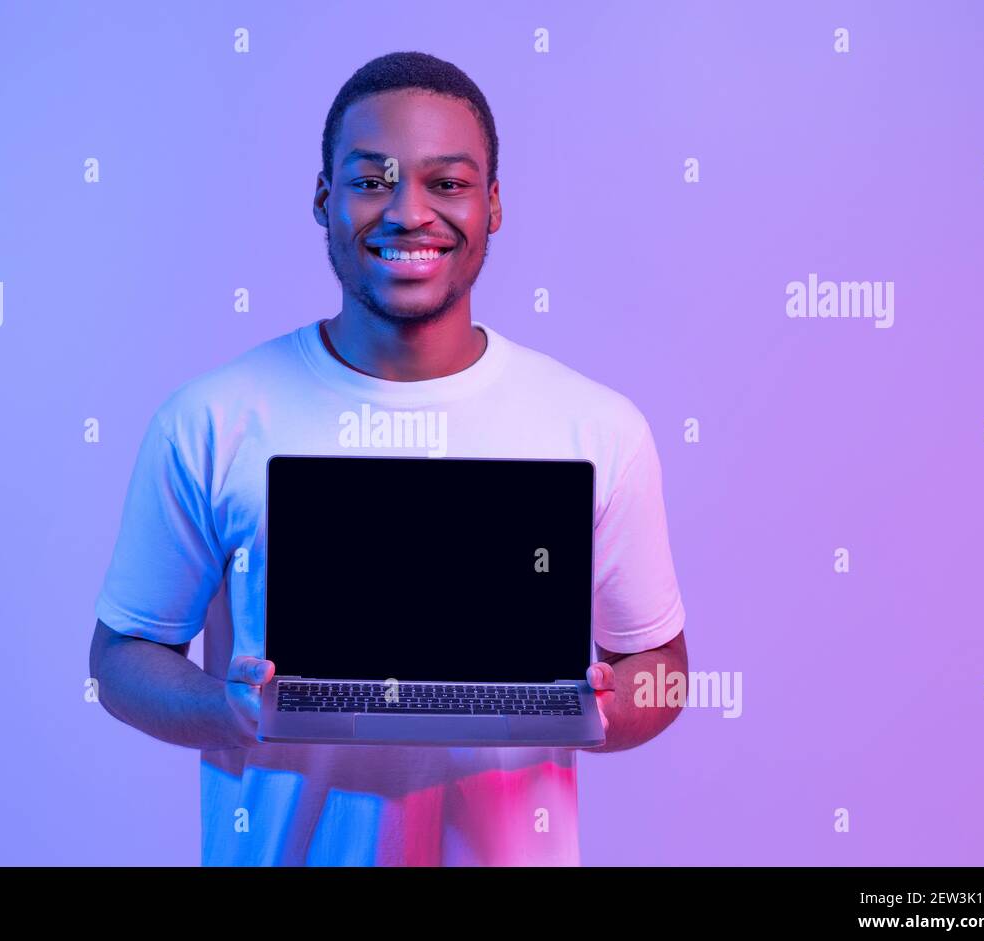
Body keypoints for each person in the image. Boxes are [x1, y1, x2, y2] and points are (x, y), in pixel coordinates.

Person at [90, 50, 688, 866]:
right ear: (323, 199)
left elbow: (664, 666)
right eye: (373, 180)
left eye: (448, 183)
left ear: (493, 205)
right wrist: (226, 707)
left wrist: (610, 710)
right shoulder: (212, 419)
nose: (409, 212)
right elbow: (121, 657)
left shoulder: (597, 425)